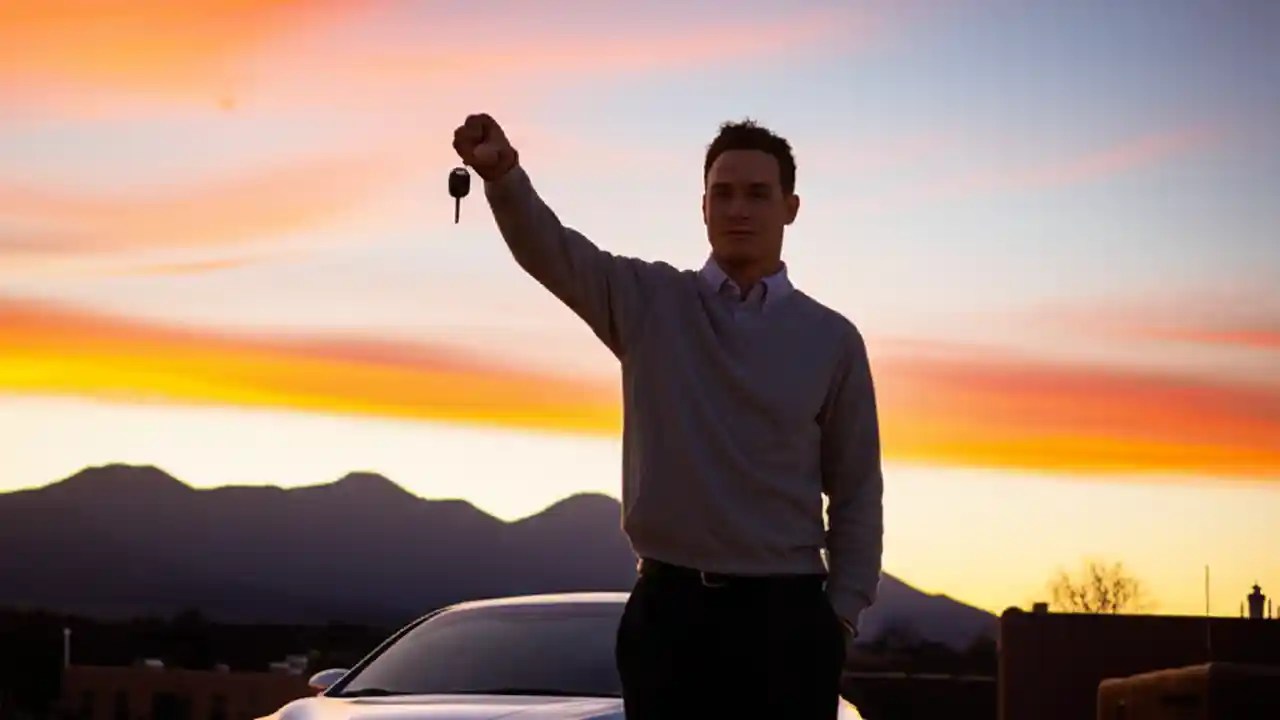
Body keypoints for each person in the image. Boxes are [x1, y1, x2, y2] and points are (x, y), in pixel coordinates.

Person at [452, 113, 883, 718]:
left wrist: (839, 616)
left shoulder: (832, 340)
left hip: (788, 623)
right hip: (670, 616)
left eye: (757, 193)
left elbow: (857, 488)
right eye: (722, 193)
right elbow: (553, 252)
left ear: (790, 208)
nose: (738, 209)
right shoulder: (648, 301)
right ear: (702, 207)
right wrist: (503, 177)